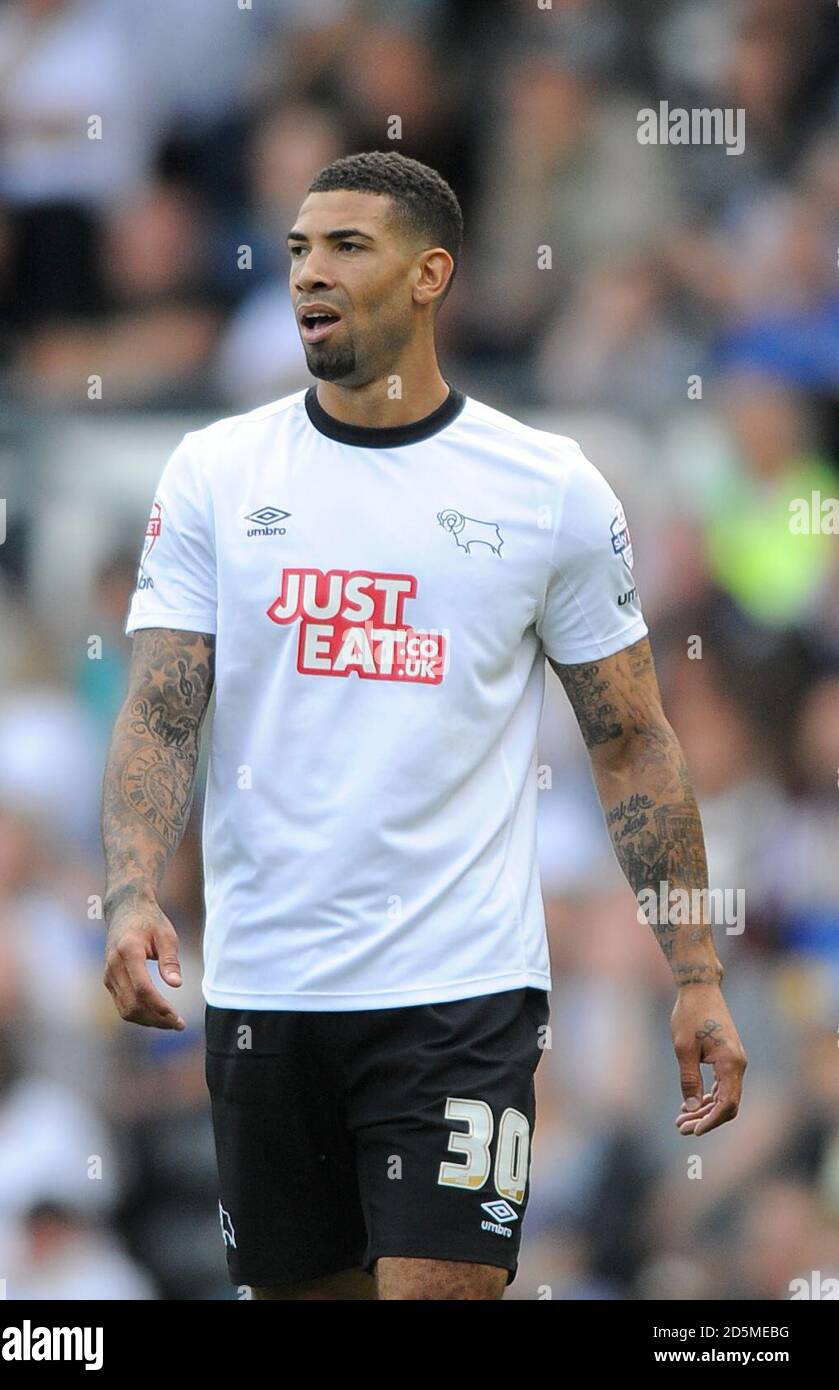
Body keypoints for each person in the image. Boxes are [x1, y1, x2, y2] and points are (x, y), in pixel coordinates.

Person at [101, 151, 747, 1301]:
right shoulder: (214, 470)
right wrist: (131, 889)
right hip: (266, 993)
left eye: (346, 246)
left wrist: (692, 968)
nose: (310, 271)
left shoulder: (543, 487)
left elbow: (631, 739)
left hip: (458, 993)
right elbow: (160, 708)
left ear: (429, 274)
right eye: (298, 248)